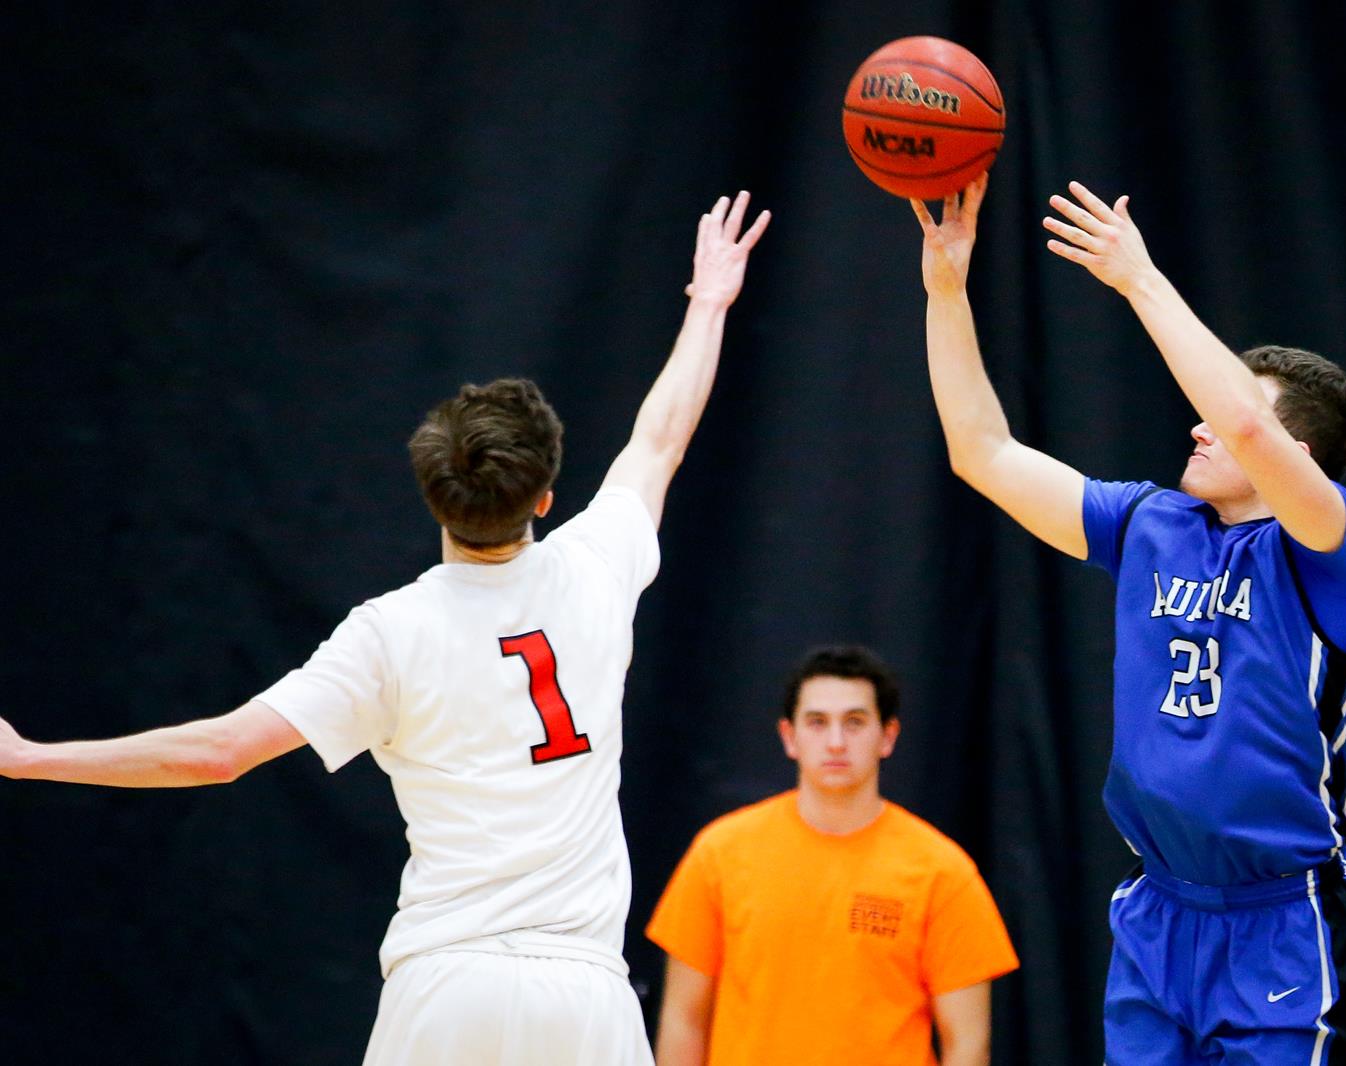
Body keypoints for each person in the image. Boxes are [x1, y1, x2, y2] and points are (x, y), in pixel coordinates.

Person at [0, 190, 771, 1065]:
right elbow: (660, 437)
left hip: (445, 991)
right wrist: (709, 301)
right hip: (584, 995)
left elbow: (218, 753)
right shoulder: (594, 566)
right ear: (546, 499)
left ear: (431, 497)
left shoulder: (389, 633)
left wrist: (28, 757)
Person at [911, 173, 1346, 1065]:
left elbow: (1247, 427)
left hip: (1284, 917)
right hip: (1158, 911)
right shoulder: (1148, 524)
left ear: (1305, 456)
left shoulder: (1334, 544)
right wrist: (946, 290)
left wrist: (1139, 278)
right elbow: (981, 451)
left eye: (1221, 410)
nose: (1201, 428)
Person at [646, 645, 1019, 1066]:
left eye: (855, 722)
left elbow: (967, 1043)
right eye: (818, 722)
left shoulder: (943, 873)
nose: (836, 742)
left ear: (888, 736)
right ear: (790, 736)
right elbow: (683, 1020)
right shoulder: (719, 853)